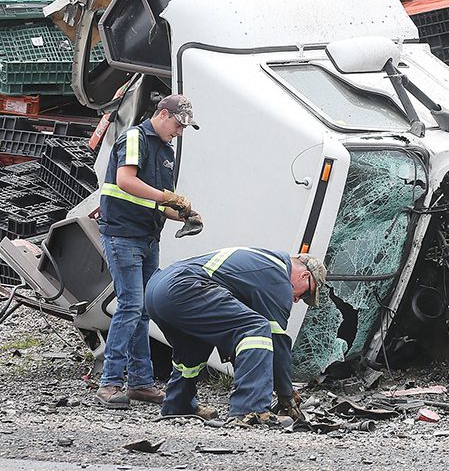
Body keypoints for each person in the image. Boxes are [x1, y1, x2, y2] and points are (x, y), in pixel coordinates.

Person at [96, 94, 204, 409]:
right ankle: (110, 383)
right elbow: (125, 180)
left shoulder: (165, 151)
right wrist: (168, 197)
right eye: (179, 124)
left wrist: (184, 214)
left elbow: (158, 203)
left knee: (141, 309)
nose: (180, 132)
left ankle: (141, 383)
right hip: (122, 234)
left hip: (146, 237)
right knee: (130, 305)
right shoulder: (134, 138)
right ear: (163, 114)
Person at [144, 247, 327, 423]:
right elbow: (277, 342)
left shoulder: (262, 262)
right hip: (182, 287)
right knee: (257, 328)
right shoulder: (278, 278)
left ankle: (178, 405)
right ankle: (250, 409)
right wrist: (286, 393)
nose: (296, 300)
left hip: (157, 291)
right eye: (305, 294)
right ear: (305, 276)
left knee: (194, 346)